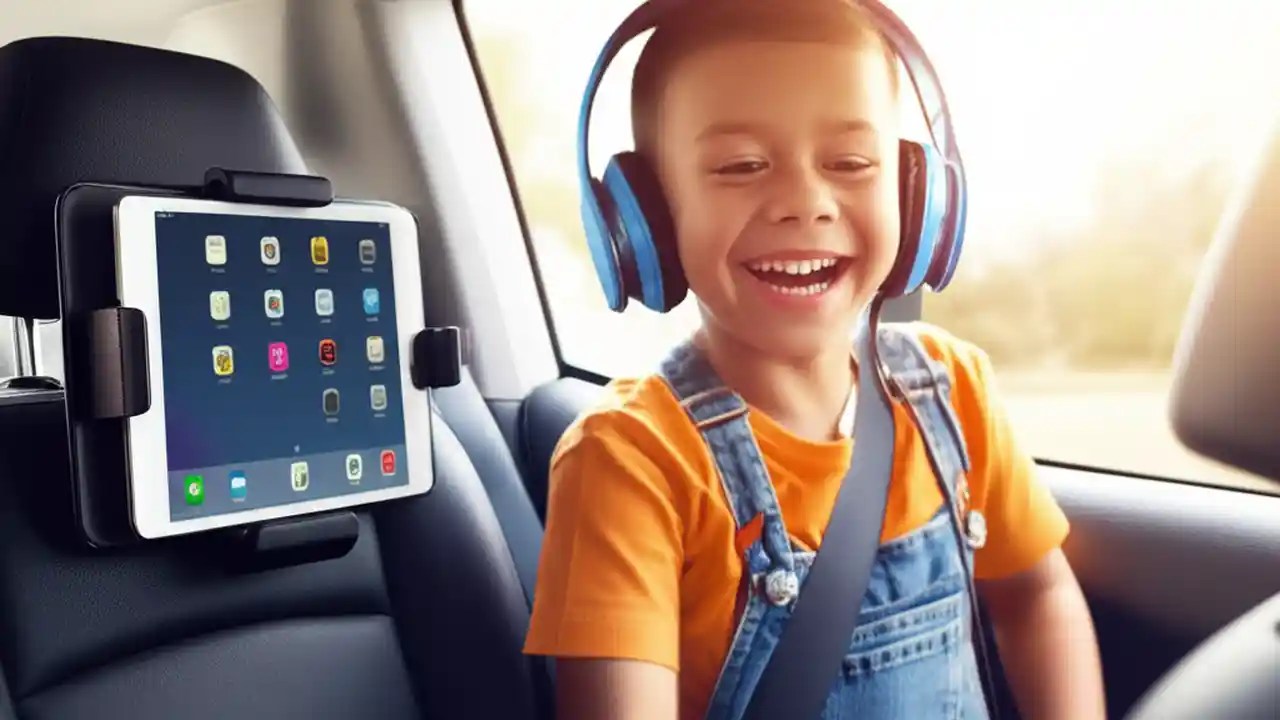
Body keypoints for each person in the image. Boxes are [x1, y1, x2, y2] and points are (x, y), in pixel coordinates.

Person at [524, 1, 1107, 718]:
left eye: (852, 162)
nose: (804, 202)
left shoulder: (952, 392)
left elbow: (1036, 595)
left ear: (917, 193)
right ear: (646, 216)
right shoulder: (630, 458)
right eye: (740, 166)